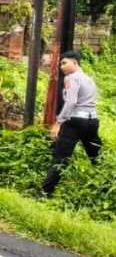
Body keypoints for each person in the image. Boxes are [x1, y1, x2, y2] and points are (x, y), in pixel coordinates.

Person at [41, 50, 102, 196]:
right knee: (96, 156)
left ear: (75, 63)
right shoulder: (89, 79)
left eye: (64, 63)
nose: (61, 66)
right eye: (60, 64)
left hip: (75, 122)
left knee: (60, 157)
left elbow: (71, 102)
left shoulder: (71, 78)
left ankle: (45, 193)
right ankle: (105, 187)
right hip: (92, 121)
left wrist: (58, 123)